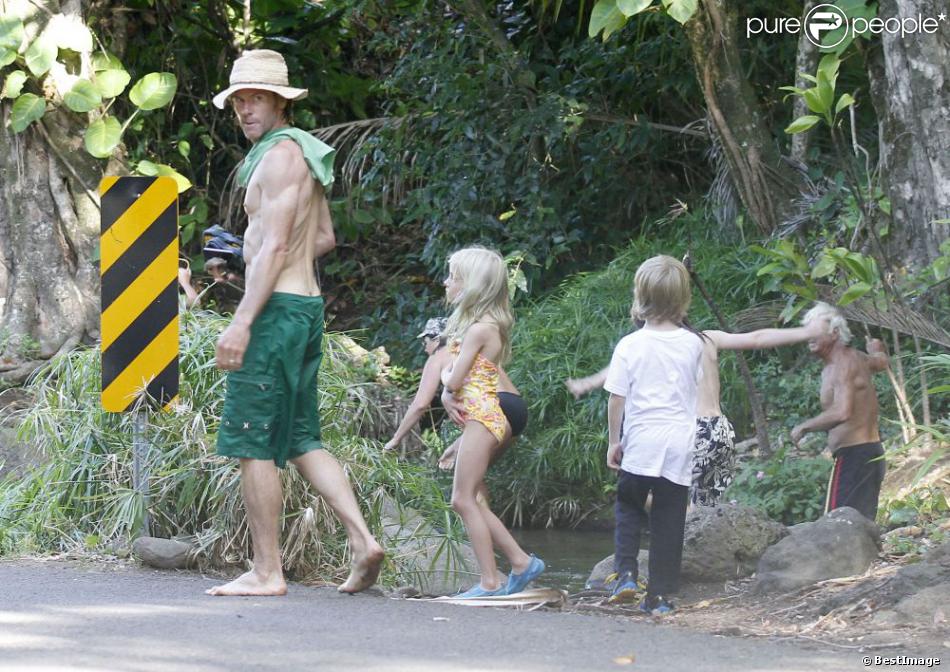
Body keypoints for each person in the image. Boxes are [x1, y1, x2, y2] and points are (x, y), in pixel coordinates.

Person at [206, 49, 383, 596]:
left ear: (280, 102)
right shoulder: (304, 154)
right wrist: (253, 260)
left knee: (253, 441)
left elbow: (279, 244)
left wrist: (242, 319)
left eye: (256, 98)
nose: (245, 109)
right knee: (303, 437)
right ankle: (363, 541)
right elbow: (322, 237)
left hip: (276, 314)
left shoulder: (280, 157)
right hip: (304, 308)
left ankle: (267, 572)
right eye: (239, 100)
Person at [568, 319, 827, 508]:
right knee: (705, 508)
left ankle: (681, 540)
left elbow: (618, 370)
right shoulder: (706, 338)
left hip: (690, 432)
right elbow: (757, 338)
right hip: (719, 431)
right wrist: (806, 331)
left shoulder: (656, 346)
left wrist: (588, 383)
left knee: (644, 496)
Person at [439, 247, 543, 598]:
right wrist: (449, 385)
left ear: (473, 285)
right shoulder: (487, 327)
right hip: (485, 416)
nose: (446, 283)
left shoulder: (479, 330)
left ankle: (490, 581)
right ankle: (520, 562)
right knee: (469, 497)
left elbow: (454, 379)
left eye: (453, 277)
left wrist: (446, 385)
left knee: (462, 499)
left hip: (483, 418)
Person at [604, 255, 704, 614]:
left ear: (639, 296)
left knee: (629, 505)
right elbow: (697, 392)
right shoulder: (693, 344)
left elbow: (617, 398)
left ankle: (627, 574)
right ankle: (659, 597)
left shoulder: (630, 345)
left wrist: (614, 441)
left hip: (642, 442)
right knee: (669, 518)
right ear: (683, 298)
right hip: (679, 443)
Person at [791, 302, 889, 521]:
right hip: (868, 453)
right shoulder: (857, 357)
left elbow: (842, 412)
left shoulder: (841, 364)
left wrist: (804, 427)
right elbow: (881, 363)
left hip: (854, 459)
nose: (809, 336)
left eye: (815, 330)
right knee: (858, 526)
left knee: (838, 526)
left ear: (834, 333)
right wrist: (876, 349)